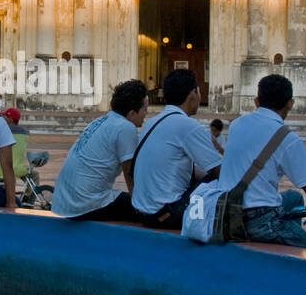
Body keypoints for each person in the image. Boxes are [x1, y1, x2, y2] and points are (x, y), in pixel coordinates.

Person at [216, 74, 306, 250]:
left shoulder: (237, 124)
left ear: (256, 101)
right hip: (260, 218)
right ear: (290, 103)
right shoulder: (288, 139)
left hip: (228, 209)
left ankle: (288, 247)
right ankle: (292, 252)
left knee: (294, 198)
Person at [131, 70, 221, 230]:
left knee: (204, 175)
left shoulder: (152, 122)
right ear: (193, 93)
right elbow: (220, 172)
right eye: (199, 91)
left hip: (142, 212)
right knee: (221, 180)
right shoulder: (189, 126)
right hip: (165, 216)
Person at [52, 80, 149, 222]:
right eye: (145, 109)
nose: (146, 114)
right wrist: (141, 207)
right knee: (148, 209)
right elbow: (130, 174)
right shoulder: (126, 127)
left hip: (63, 201)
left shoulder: (100, 121)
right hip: (85, 203)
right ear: (132, 113)